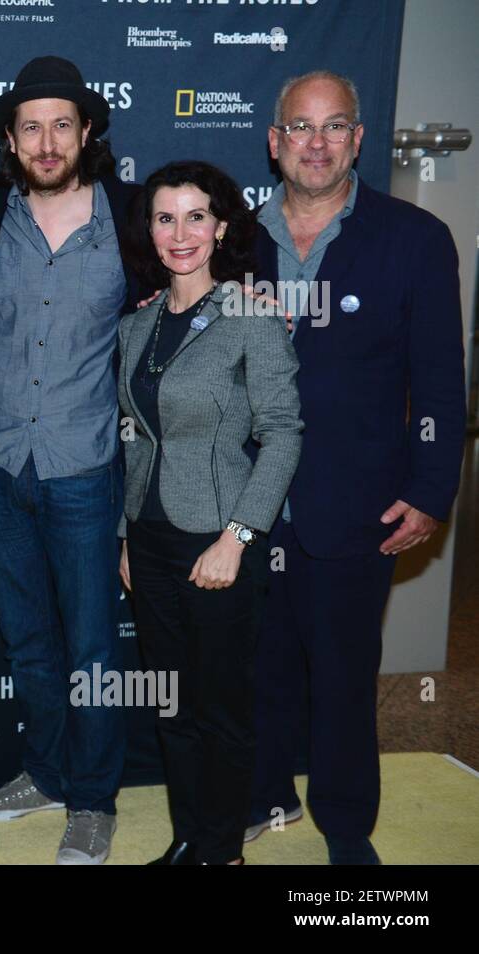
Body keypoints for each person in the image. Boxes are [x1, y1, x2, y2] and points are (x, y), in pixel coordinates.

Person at [248, 71, 466, 865]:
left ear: (358, 139)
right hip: (248, 505)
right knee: (258, 668)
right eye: (300, 128)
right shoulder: (233, 240)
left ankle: (345, 826)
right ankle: (263, 796)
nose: (316, 143)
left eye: (334, 126)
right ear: (274, 142)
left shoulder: (414, 238)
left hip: (358, 504)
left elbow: (441, 378)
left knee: (343, 678)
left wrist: (431, 488)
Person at [0, 55, 142, 864]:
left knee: (94, 645)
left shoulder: (130, 213)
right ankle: (48, 772)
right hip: (0, 468)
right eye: (31, 125)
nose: (48, 139)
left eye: (63, 123)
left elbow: (206, 266)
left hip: (87, 466)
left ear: (87, 131)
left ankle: (94, 802)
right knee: (28, 643)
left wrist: (256, 291)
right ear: (9, 137)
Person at [116, 161, 302, 865]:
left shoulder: (250, 316)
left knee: (220, 709)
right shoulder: (136, 328)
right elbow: (133, 440)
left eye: (197, 216)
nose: (181, 233)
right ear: (151, 232)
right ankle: (189, 837)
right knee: (173, 705)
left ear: (221, 227)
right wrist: (126, 535)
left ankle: (223, 849)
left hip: (220, 537)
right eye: (166, 218)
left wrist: (239, 537)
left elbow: (284, 433)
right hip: (153, 540)